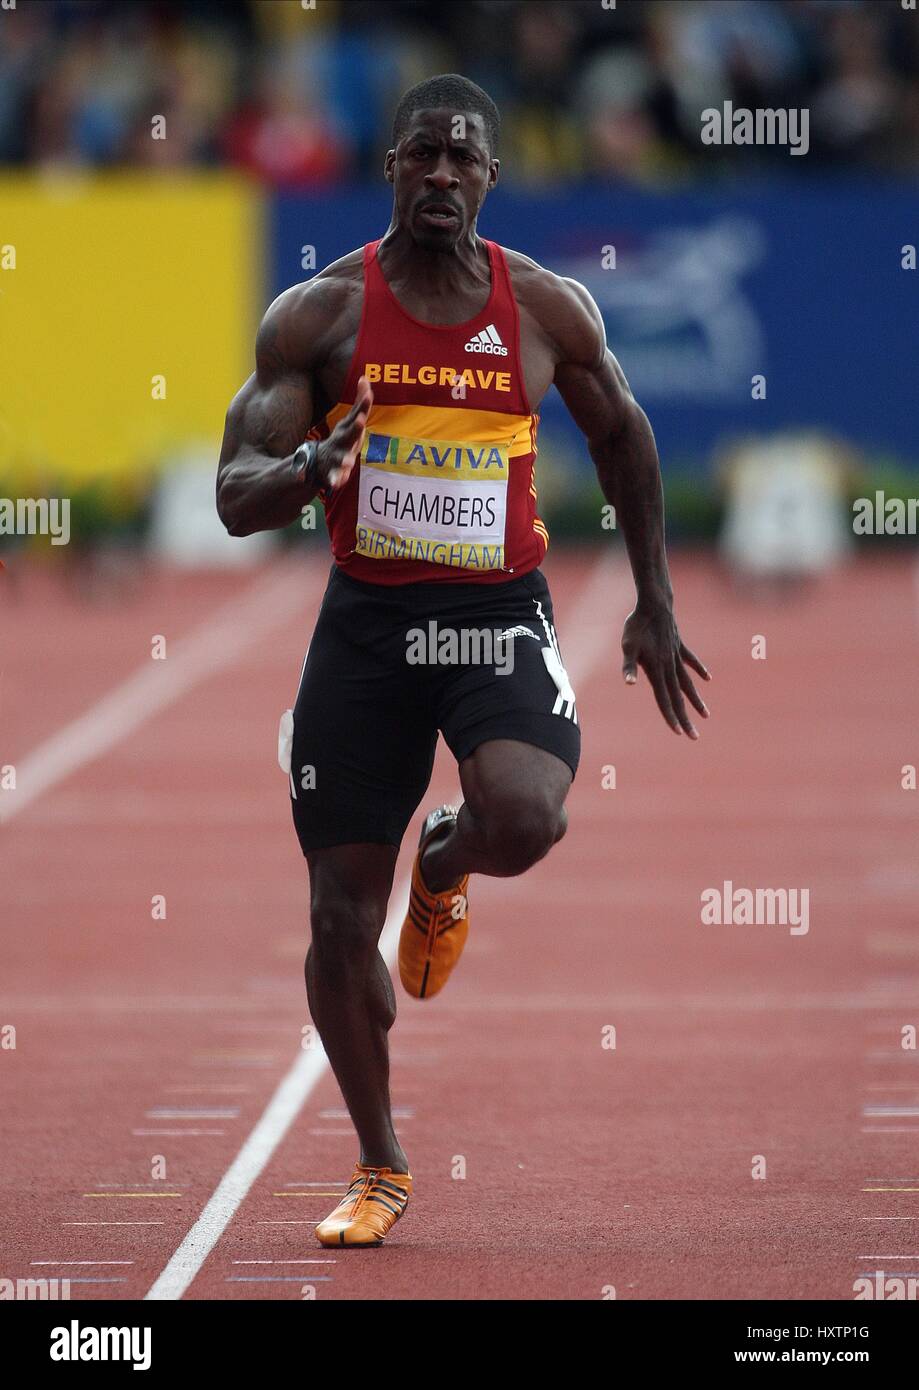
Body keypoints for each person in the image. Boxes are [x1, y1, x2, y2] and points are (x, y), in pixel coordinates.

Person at [216, 73, 710, 1248]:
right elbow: (233, 495)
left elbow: (625, 434)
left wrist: (653, 598)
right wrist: (304, 475)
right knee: (340, 918)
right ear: (390, 168)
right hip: (368, 630)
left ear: (491, 178)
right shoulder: (318, 317)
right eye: (422, 155)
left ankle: (444, 861)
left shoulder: (544, 310)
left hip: (495, 613)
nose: (441, 174)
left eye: (464, 159)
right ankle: (381, 1161)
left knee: (528, 819)